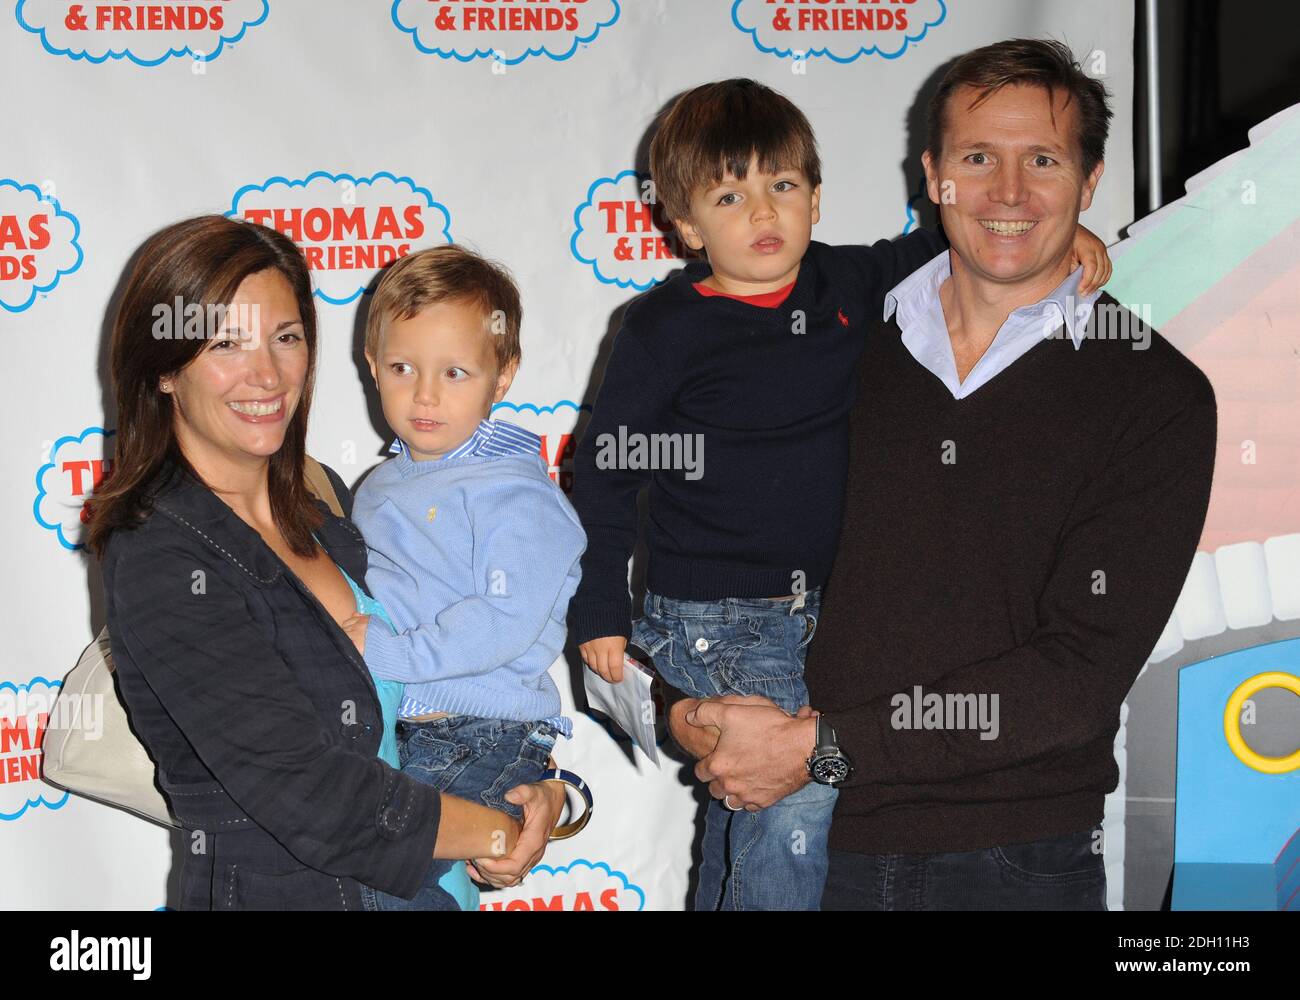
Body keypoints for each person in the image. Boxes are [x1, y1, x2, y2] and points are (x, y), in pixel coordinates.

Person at [673, 39, 1217, 911]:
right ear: (933, 176)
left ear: (1090, 181)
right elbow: (702, 545)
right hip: (774, 836)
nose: (1008, 192)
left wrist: (825, 747)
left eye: (1041, 160)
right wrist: (680, 705)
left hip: (1008, 863)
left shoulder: (1154, 393)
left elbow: (1077, 676)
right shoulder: (828, 338)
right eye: (977, 159)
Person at [568, 77, 1110, 910]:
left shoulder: (848, 284)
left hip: (823, 608)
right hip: (717, 617)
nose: (762, 213)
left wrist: (1074, 237)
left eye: (782, 186)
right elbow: (604, 467)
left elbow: (956, 241)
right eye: (729, 194)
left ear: (817, 199)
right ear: (683, 224)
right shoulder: (662, 329)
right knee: (798, 792)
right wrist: (599, 602)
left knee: (743, 808)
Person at [86, 214, 566, 910]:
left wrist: (545, 787)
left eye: (286, 338)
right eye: (228, 342)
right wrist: (497, 832)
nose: (268, 373)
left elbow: (445, 692)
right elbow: (307, 791)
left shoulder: (327, 505)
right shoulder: (161, 551)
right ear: (164, 368)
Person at [344, 245, 586, 910]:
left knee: (393, 869)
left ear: (501, 375)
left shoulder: (517, 494)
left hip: (480, 729)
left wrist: (387, 652)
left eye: (454, 372)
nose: (425, 395)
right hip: (407, 722)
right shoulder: (377, 487)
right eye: (402, 368)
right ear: (372, 367)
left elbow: (502, 620)